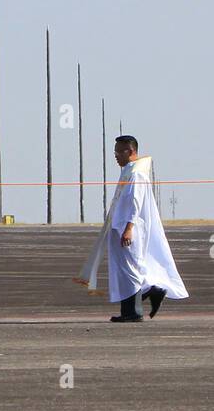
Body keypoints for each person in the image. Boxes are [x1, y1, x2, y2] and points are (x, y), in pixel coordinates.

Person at [75, 136, 188, 322]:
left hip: (130, 230)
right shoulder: (128, 171)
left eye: (120, 151)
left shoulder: (136, 174)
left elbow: (135, 203)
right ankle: (147, 295)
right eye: (115, 152)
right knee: (124, 270)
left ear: (131, 150)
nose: (116, 156)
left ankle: (134, 311)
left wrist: (129, 228)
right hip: (120, 229)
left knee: (130, 270)